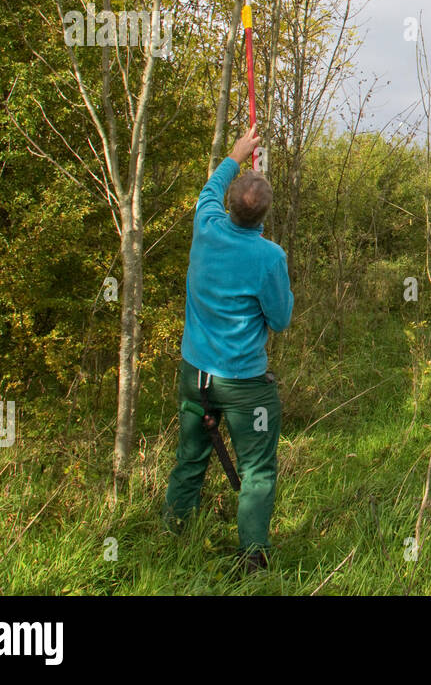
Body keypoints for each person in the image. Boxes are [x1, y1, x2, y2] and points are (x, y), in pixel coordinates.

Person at [162, 126, 294, 573]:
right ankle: (253, 557)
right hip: (243, 385)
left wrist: (237, 153)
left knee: (190, 457)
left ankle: (172, 535)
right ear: (263, 216)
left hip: (195, 374)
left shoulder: (206, 223)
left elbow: (212, 187)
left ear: (229, 207)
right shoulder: (269, 257)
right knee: (257, 468)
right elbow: (279, 319)